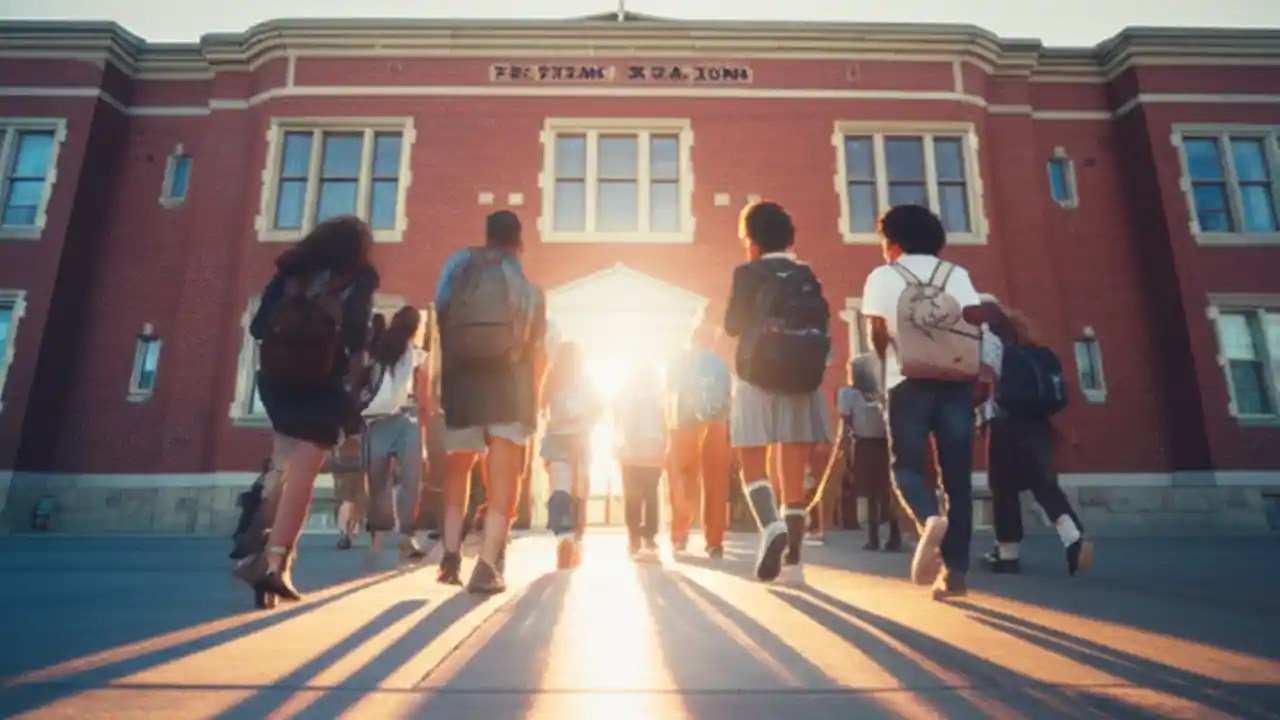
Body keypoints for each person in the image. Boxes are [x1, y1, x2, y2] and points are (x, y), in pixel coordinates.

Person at [861, 204, 1005, 600]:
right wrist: (982, 374)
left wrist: (887, 362)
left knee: (906, 468)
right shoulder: (956, 275)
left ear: (892, 241)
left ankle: (928, 522)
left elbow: (876, 332)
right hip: (955, 382)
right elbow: (976, 325)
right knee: (956, 479)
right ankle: (955, 574)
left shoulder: (883, 277)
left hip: (906, 382)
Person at [236, 215, 378, 607]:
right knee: (304, 474)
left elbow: (259, 327)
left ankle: (253, 544)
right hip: (323, 385)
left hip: (278, 382)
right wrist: (355, 389)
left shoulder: (291, 270)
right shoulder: (358, 277)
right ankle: (275, 564)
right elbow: (357, 335)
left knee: (283, 465)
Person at [433, 210, 546, 594]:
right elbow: (533, 346)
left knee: (458, 468)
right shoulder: (529, 289)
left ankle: (450, 554)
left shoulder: (460, 263)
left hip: (463, 380)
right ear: (519, 242)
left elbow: (441, 310)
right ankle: (486, 566)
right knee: (502, 479)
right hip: (509, 388)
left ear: (487, 235)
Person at [724, 201, 831, 586]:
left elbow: (733, 325)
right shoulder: (806, 274)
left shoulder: (748, 272)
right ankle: (795, 565)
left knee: (752, 456)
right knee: (792, 471)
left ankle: (770, 526)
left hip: (757, 375)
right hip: (802, 377)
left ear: (751, 242)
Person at [980, 306, 1093, 576]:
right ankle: (1073, 536)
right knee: (1045, 486)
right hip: (1038, 425)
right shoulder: (1043, 354)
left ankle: (1007, 554)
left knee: (1003, 490)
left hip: (1005, 425)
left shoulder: (995, 352)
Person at [363, 305, 429, 562]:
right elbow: (423, 394)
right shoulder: (416, 355)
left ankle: (377, 540)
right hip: (406, 418)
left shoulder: (379, 348)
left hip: (376, 420)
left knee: (378, 481)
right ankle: (405, 536)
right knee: (412, 479)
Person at [665, 321, 733, 557]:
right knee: (715, 483)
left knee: (683, 478)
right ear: (713, 341)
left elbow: (669, 394)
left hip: (683, 424)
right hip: (716, 424)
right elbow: (727, 398)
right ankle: (714, 540)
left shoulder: (679, 362)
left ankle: (679, 535)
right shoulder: (721, 366)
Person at [539, 341, 603, 569]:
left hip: (556, 443)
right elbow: (600, 408)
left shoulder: (552, 382)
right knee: (579, 493)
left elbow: (541, 408)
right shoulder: (586, 382)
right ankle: (575, 539)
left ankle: (564, 538)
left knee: (560, 490)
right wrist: (585, 423)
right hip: (580, 443)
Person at [841, 354, 901, 551]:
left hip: (864, 444)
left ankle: (873, 537)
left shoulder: (848, 394)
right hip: (886, 443)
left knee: (870, 494)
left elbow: (846, 423)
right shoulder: (883, 393)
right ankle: (894, 534)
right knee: (888, 491)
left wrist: (844, 450)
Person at [615, 360, 668, 561]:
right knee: (651, 495)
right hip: (652, 450)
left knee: (632, 496)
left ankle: (634, 536)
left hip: (630, 452)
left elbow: (619, 422)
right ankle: (649, 536)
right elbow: (665, 422)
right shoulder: (658, 396)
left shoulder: (624, 394)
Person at [332, 436, 367, 550]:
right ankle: (348, 532)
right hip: (354, 465)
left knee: (350, 501)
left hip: (349, 465)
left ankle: (347, 532)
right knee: (352, 501)